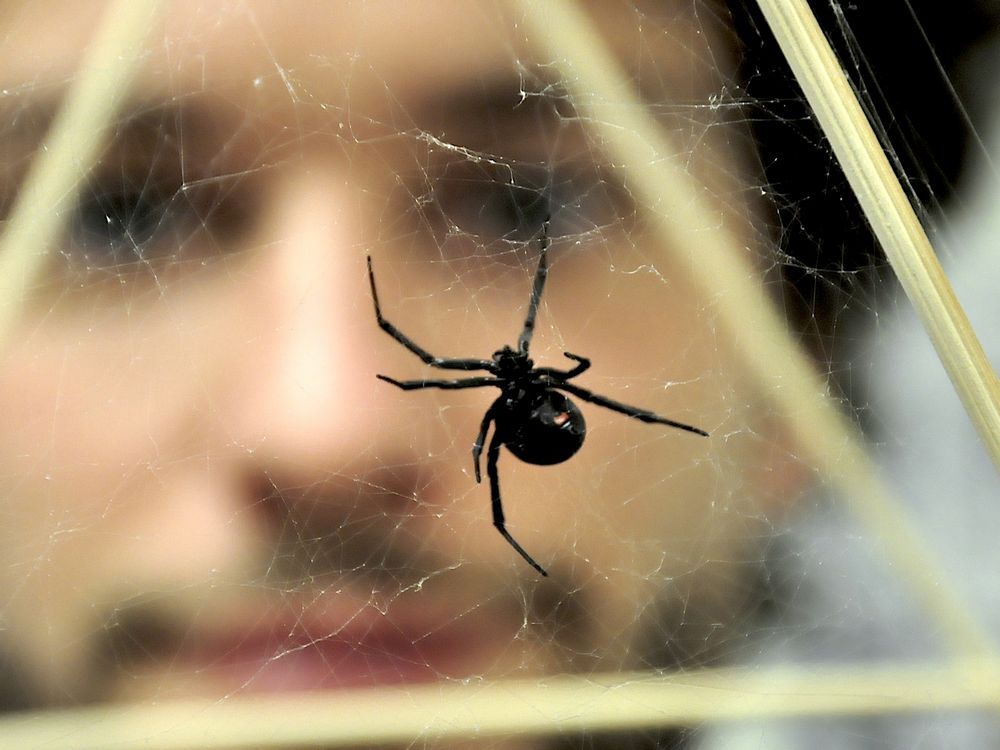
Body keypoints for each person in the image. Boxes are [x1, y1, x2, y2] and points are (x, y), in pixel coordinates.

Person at [0, 1, 803, 745]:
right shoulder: (511, 385)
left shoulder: (499, 391)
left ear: (803, 362)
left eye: (526, 204)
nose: (328, 436)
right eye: (115, 214)